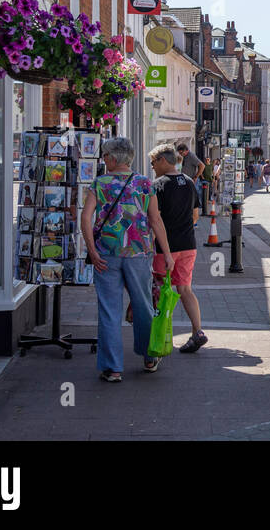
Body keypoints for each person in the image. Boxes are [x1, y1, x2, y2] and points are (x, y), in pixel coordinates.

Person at [82, 136, 175, 382]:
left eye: (105, 156)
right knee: (143, 305)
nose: (104, 160)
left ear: (113, 158)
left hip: (106, 254)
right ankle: (149, 356)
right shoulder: (145, 183)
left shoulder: (99, 183)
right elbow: (156, 220)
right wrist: (166, 254)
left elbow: (85, 218)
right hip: (139, 253)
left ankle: (112, 368)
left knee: (109, 309)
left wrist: (92, 250)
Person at [148, 143, 207, 353]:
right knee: (185, 289)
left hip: (166, 248)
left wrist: (151, 245)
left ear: (163, 160)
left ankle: (160, 335)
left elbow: (155, 219)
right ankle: (197, 331)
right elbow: (195, 215)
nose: (152, 166)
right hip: (188, 245)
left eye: (154, 162)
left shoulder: (157, 185)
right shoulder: (190, 182)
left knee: (161, 292)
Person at [176, 143, 205, 213]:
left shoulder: (191, 156)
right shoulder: (184, 156)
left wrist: (196, 177)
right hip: (185, 180)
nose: (180, 154)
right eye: (179, 153)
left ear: (186, 150)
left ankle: (193, 212)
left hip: (191, 180)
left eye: (181, 153)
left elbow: (202, 166)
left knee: (192, 197)